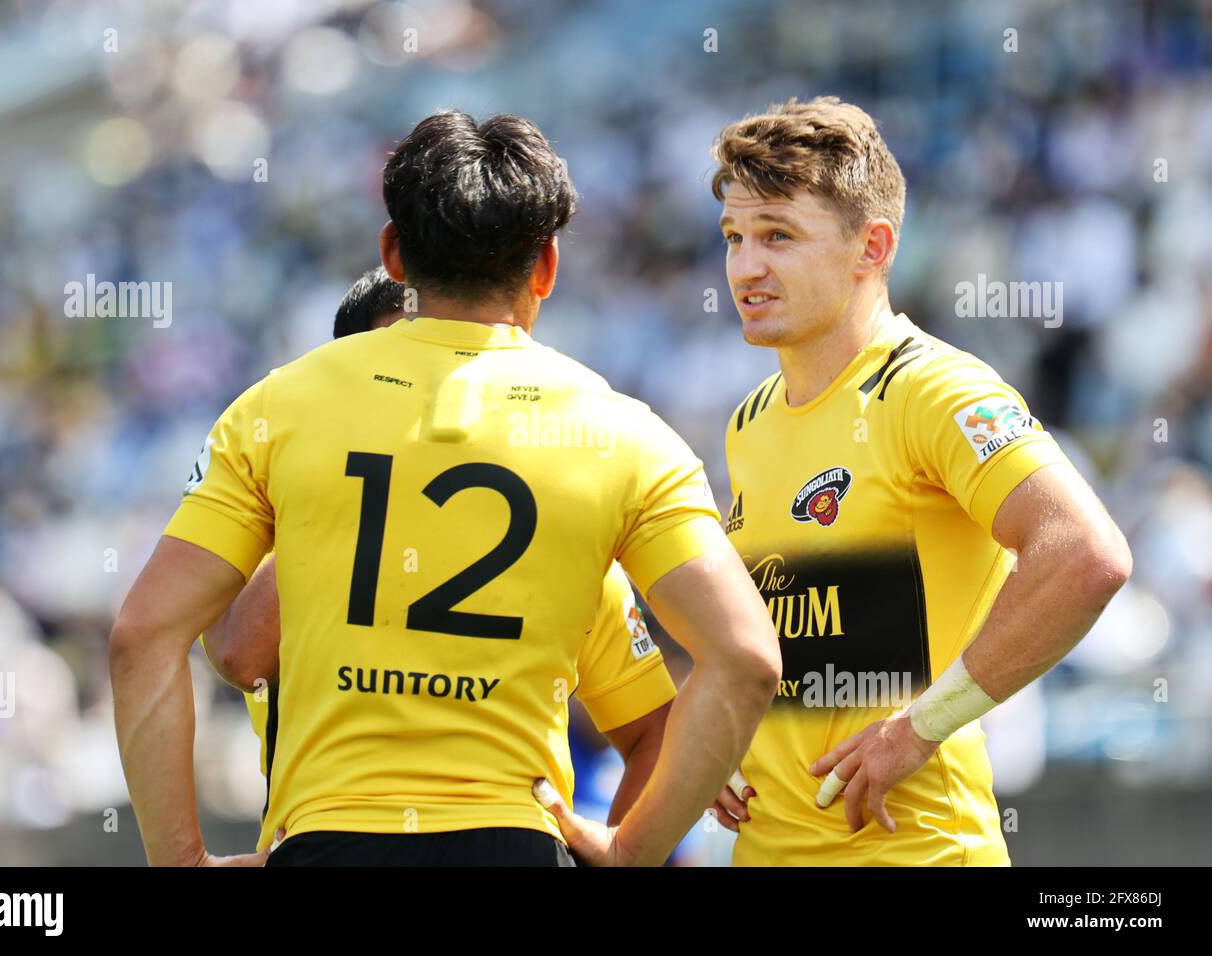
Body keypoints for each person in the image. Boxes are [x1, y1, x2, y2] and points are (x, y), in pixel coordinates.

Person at [110, 110, 780, 867]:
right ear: (548, 266)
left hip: (326, 842)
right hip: (514, 843)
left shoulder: (277, 407)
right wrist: (631, 852)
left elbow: (145, 638)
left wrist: (182, 862)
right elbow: (747, 659)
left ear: (393, 254)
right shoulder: (624, 434)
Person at [707, 97, 1131, 865]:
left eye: (778, 236)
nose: (745, 266)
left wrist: (923, 726)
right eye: (733, 237)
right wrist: (724, 734)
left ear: (871, 248)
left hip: (914, 851)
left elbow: (1085, 555)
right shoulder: (750, 419)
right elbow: (788, 627)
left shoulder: (937, 390)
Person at [202, 268, 681, 851]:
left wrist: (620, 852)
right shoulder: (304, 535)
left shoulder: (561, 537)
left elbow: (656, 731)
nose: (432, 388)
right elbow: (238, 653)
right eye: (402, 369)